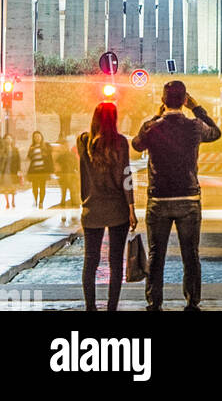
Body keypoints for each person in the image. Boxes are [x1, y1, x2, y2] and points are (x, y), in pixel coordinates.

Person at [132, 80, 221, 312]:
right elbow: (217, 132)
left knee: (156, 255)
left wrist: (154, 116)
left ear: (163, 101)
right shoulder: (195, 126)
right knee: (190, 255)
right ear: (184, 100)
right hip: (188, 198)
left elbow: (136, 144)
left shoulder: (152, 127)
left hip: (159, 199)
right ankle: (192, 303)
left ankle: (154, 303)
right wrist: (197, 107)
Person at [78, 102, 137, 312]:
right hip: (117, 210)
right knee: (115, 262)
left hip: (91, 209)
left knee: (90, 261)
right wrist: (132, 208)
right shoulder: (121, 143)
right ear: (114, 119)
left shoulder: (83, 141)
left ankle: (90, 307)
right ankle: (112, 307)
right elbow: (126, 176)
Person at [27, 131, 54, 208]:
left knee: (42, 187)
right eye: (35, 137)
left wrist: (51, 171)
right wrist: (31, 151)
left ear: (41, 137)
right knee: (34, 187)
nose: (37, 138)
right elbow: (29, 157)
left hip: (43, 171)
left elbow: (50, 159)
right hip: (34, 171)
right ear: (33, 138)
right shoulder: (32, 147)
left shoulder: (46, 146)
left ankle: (41, 202)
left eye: (38, 136)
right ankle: (35, 200)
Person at [57, 138, 79, 224]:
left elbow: (76, 166)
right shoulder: (60, 156)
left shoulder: (71, 155)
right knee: (63, 197)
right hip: (64, 179)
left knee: (72, 196)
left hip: (71, 178)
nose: (64, 147)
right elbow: (57, 167)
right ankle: (64, 215)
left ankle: (72, 215)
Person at [1, 134, 21, 208]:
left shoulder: (15, 149)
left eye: (10, 138)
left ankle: (13, 201)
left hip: (13, 171)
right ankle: (7, 202)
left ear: (12, 140)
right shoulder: (2, 149)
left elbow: (18, 160)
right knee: (5, 187)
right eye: (7, 138)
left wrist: (19, 170)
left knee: (13, 187)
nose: (8, 140)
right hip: (5, 171)